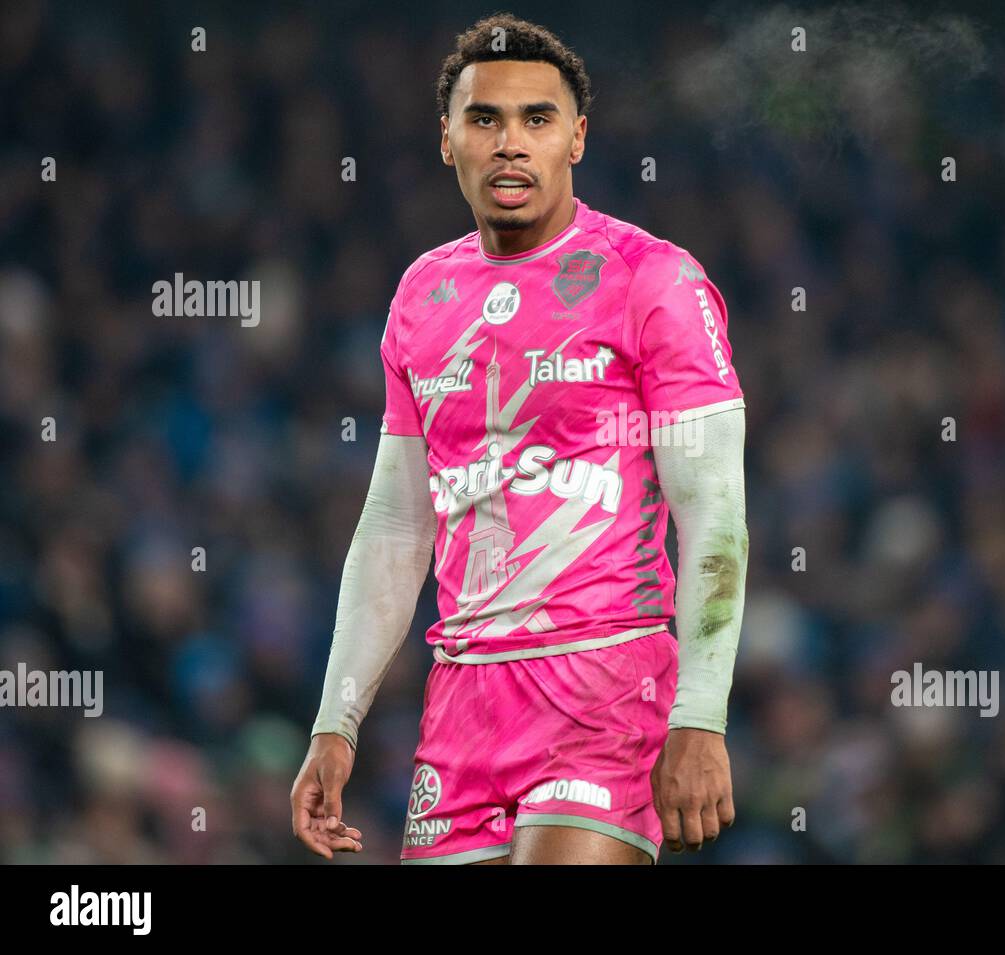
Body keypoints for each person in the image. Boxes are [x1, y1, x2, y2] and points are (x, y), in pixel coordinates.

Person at [290, 13, 748, 865]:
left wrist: (700, 714)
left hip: (606, 685)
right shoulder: (423, 295)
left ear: (576, 138)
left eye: (538, 119)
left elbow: (714, 511)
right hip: (463, 701)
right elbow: (395, 528)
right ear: (447, 139)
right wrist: (337, 719)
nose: (512, 144)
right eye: (486, 120)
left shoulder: (654, 280)